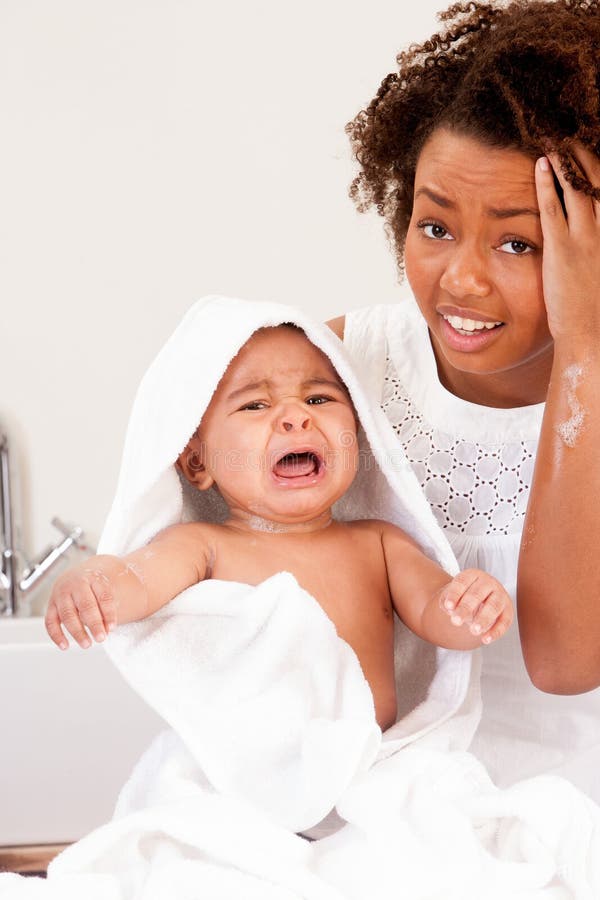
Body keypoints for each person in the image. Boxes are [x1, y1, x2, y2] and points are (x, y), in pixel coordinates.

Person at [328, 0, 600, 796]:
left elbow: (562, 660)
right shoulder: (340, 368)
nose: (462, 280)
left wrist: (584, 346)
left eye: (519, 242)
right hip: (390, 806)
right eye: (435, 227)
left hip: (569, 815)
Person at [45, 323, 512, 731]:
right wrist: (94, 583)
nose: (296, 415)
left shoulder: (380, 544)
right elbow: (137, 581)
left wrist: (470, 606)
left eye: (318, 397)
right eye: (254, 405)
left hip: (370, 773)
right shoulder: (204, 547)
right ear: (196, 462)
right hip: (259, 790)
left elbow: (437, 615)